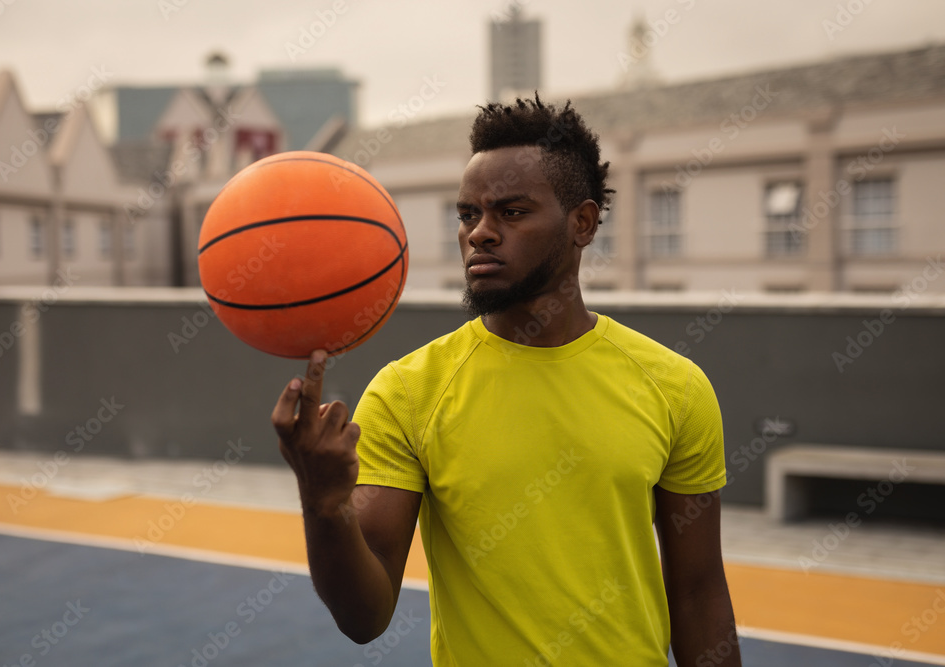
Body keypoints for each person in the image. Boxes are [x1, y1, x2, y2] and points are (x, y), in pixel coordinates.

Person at [272, 95, 741, 666]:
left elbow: (698, 595)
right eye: (469, 214)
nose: (480, 234)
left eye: (511, 213)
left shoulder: (675, 387)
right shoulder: (410, 391)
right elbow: (364, 619)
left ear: (583, 223)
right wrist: (324, 505)